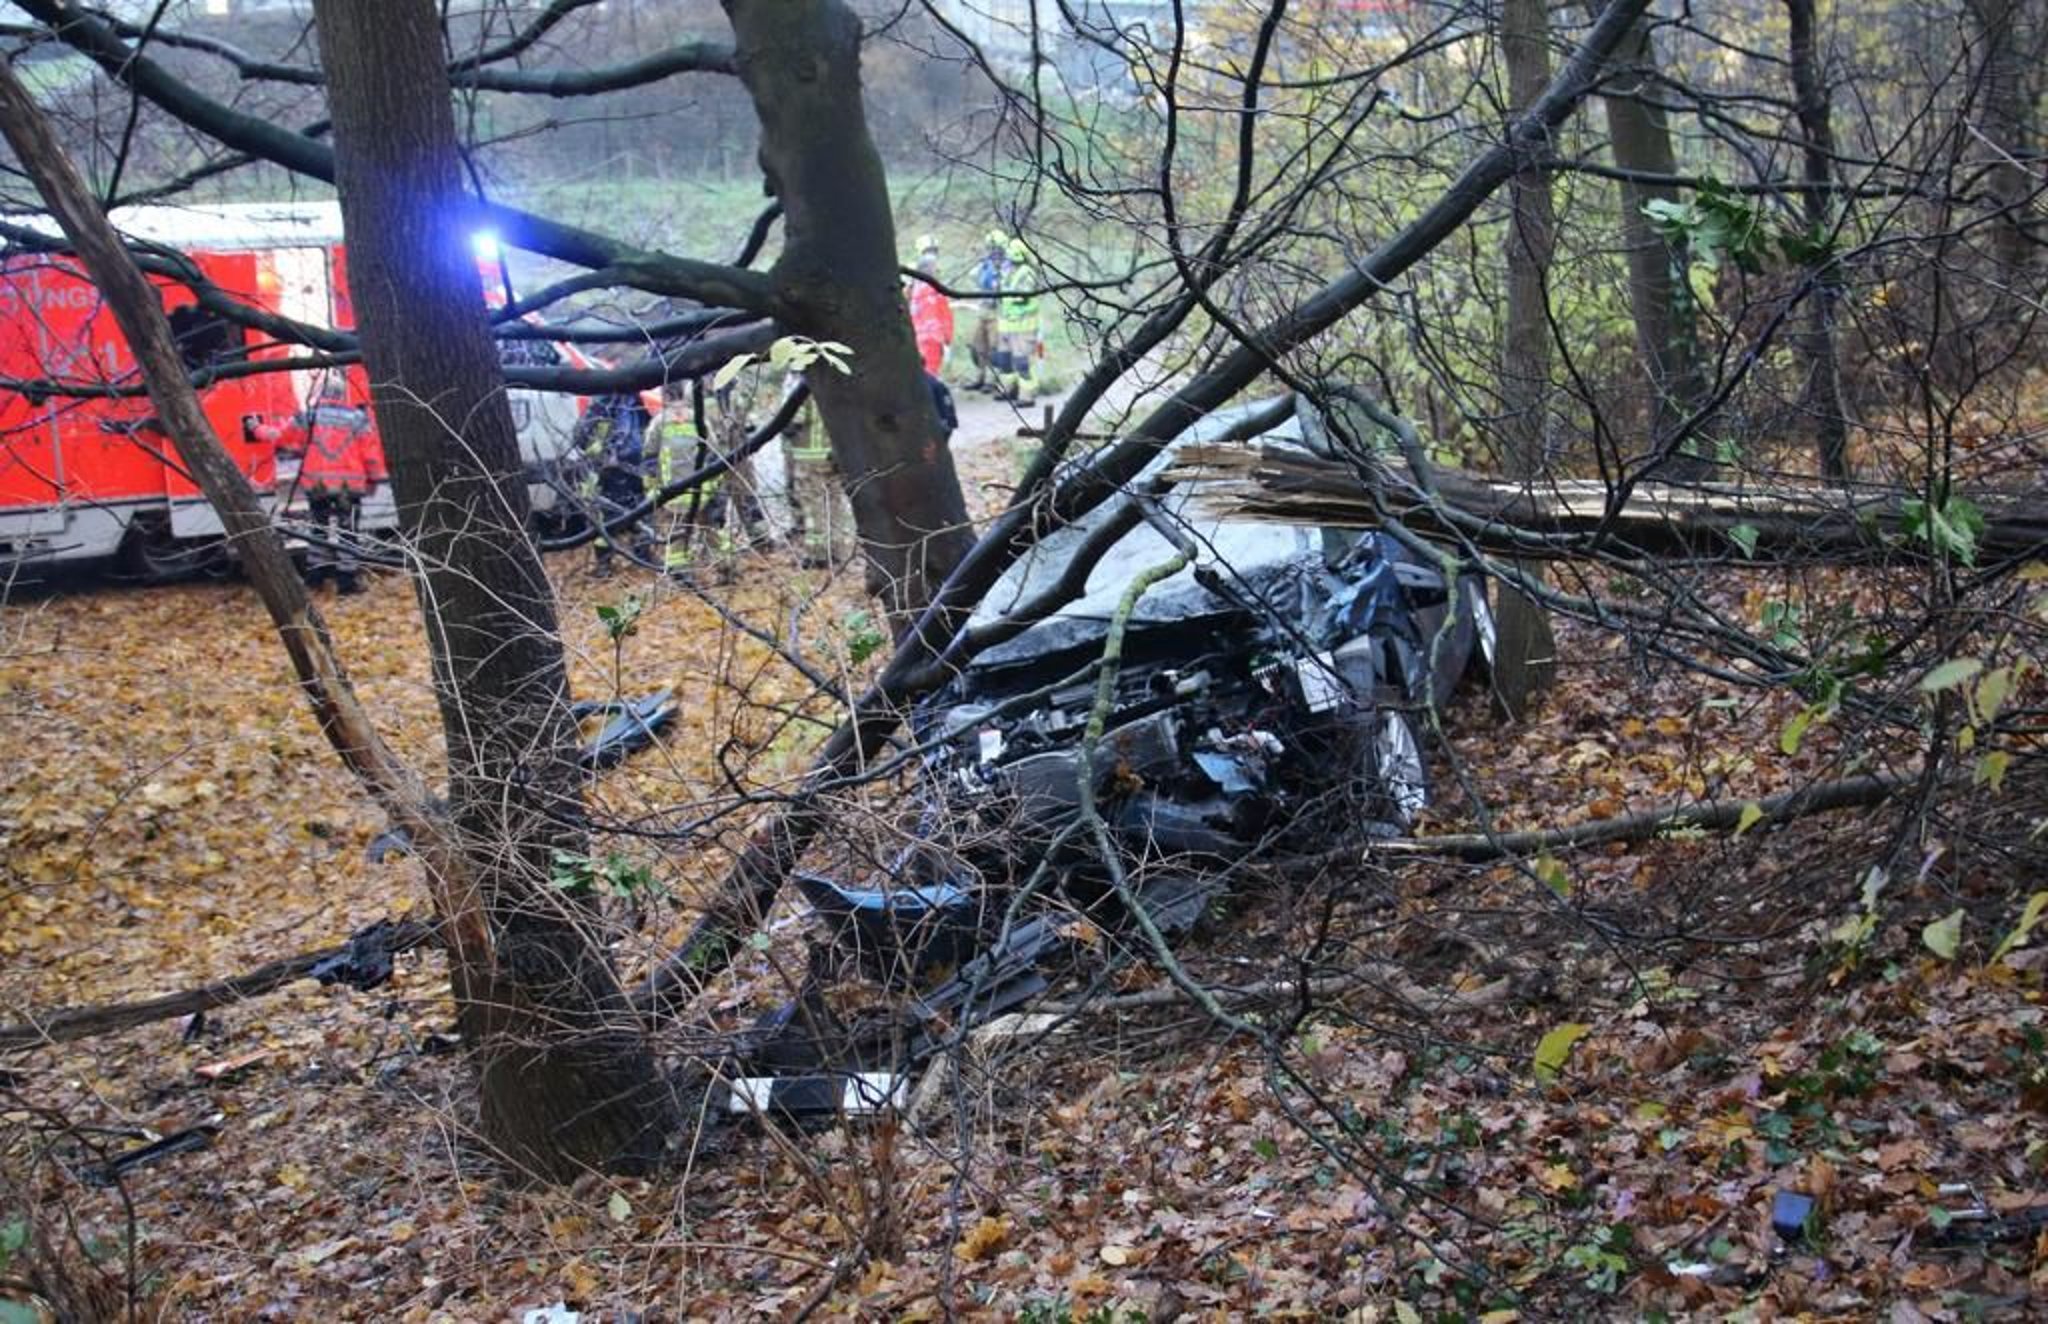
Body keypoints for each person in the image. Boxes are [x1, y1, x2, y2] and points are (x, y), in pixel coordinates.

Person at [269, 375, 381, 595]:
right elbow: (371, 455)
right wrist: (374, 480)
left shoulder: (308, 417)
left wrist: (258, 430)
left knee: (318, 531)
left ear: (320, 393)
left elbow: (282, 438)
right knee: (348, 533)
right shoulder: (357, 419)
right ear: (343, 394)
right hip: (349, 488)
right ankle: (346, 583)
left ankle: (315, 578)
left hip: (317, 486)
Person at [645, 387, 734, 583]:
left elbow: (649, 456)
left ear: (665, 397)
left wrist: (651, 490)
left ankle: (681, 575)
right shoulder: (699, 419)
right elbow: (714, 452)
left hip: (673, 493)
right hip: (702, 490)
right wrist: (715, 486)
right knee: (712, 532)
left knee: (677, 536)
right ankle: (725, 569)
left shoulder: (659, 422)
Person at [572, 392, 653, 577]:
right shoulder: (604, 407)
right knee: (607, 519)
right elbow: (581, 438)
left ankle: (639, 557)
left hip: (629, 469)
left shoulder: (635, 403)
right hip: (609, 472)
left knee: (638, 512)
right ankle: (606, 563)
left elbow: (647, 431)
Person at [780, 374, 856, 569]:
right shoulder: (842, 388)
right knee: (834, 501)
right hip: (837, 455)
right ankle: (839, 549)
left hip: (810, 456)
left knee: (813, 503)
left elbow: (794, 419)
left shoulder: (806, 389)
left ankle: (818, 554)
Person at [994, 237, 1042, 405]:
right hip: (1006, 324)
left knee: (1022, 363)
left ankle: (1027, 395)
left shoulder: (1027, 273)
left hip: (1024, 326)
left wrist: (1008, 296)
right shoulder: (1006, 271)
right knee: (1003, 360)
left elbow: (1023, 296)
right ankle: (1009, 389)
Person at [906, 235, 954, 378]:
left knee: (926, 370)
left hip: (923, 335)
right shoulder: (921, 286)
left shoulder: (915, 285)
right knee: (929, 371)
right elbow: (945, 314)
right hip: (929, 335)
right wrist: (947, 336)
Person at [965, 231, 1007, 392]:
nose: (994, 252)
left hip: (997, 313)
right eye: (991, 248)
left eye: (996, 248)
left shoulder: (1007, 266)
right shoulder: (986, 265)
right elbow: (974, 276)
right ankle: (979, 377)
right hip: (983, 311)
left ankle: (992, 381)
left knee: (994, 348)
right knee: (979, 346)